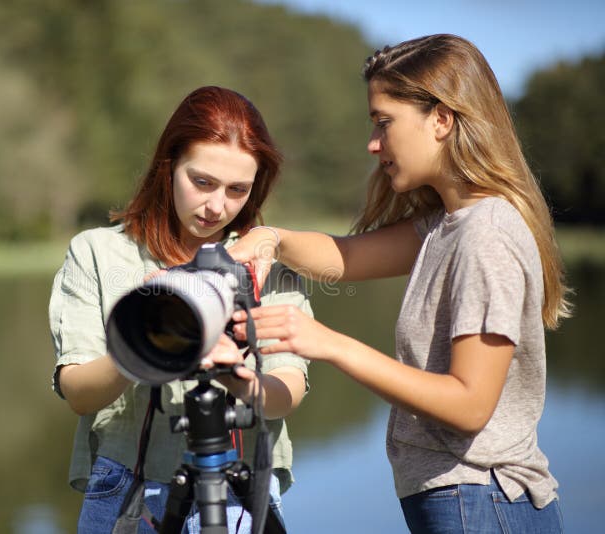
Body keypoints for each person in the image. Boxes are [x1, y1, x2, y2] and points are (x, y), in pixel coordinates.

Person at [229, 34, 571, 533]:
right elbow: (343, 257)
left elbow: (469, 405)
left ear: (442, 119)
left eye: (384, 124)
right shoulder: (448, 225)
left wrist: (329, 344)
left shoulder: (486, 235)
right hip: (465, 502)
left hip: (483, 500)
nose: (373, 144)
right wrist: (268, 239)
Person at [48, 86, 312, 533]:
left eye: (237, 190)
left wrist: (234, 374)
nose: (216, 206)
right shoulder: (97, 252)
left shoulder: (268, 263)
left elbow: (287, 393)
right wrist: (147, 342)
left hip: (237, 479)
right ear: (168, 167)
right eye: (202, 182)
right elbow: (78, 392)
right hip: (126, 481)